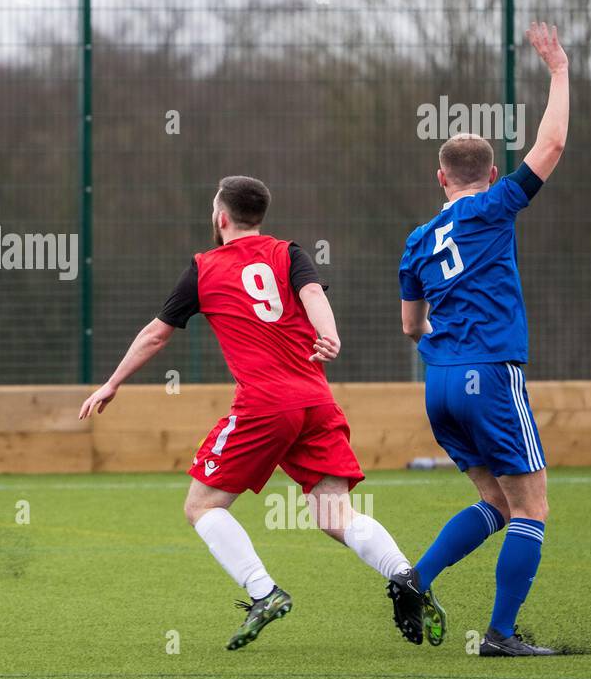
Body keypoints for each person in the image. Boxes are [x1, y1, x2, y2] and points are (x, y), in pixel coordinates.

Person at [79, 176, 429, 649]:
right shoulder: (289, 253)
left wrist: (112, 382)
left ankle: (264, 592)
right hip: (316, 401)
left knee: (201, 506)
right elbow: (313, 297)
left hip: (265, 405)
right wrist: (330, 336)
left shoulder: (204, 268)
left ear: (221, 216)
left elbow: (156, 334)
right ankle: (406, 575)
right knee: (333, 513)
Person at [399, 22, 569, 657]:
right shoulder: (495, 206)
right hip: (492, 373)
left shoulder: (418, 239)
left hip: (439, 381)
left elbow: (411, 326)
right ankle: (499, 636)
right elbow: (550, 144)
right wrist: (558, 70)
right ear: (491, 173)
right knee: (532, 508)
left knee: (495, 502)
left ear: (439, 177)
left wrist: (440, 338)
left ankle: (417, 577)